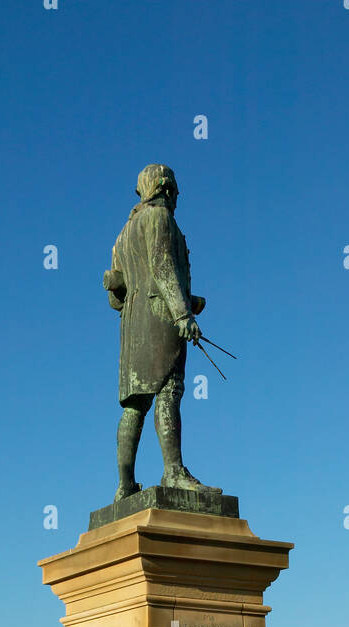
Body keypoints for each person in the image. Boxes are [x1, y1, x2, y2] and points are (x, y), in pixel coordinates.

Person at [103, 164, 215, 501]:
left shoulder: (122, 235)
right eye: (176, 189)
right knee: (169, 390)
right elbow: (163, 264)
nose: (178, 196)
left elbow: (114, 299)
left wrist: (189, 300)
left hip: (133, 324)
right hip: (160, 317)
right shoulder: (161, 219)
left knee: (135, 404)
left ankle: (124, 486)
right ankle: (174, 471)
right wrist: (182, 312)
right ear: (165, 187)